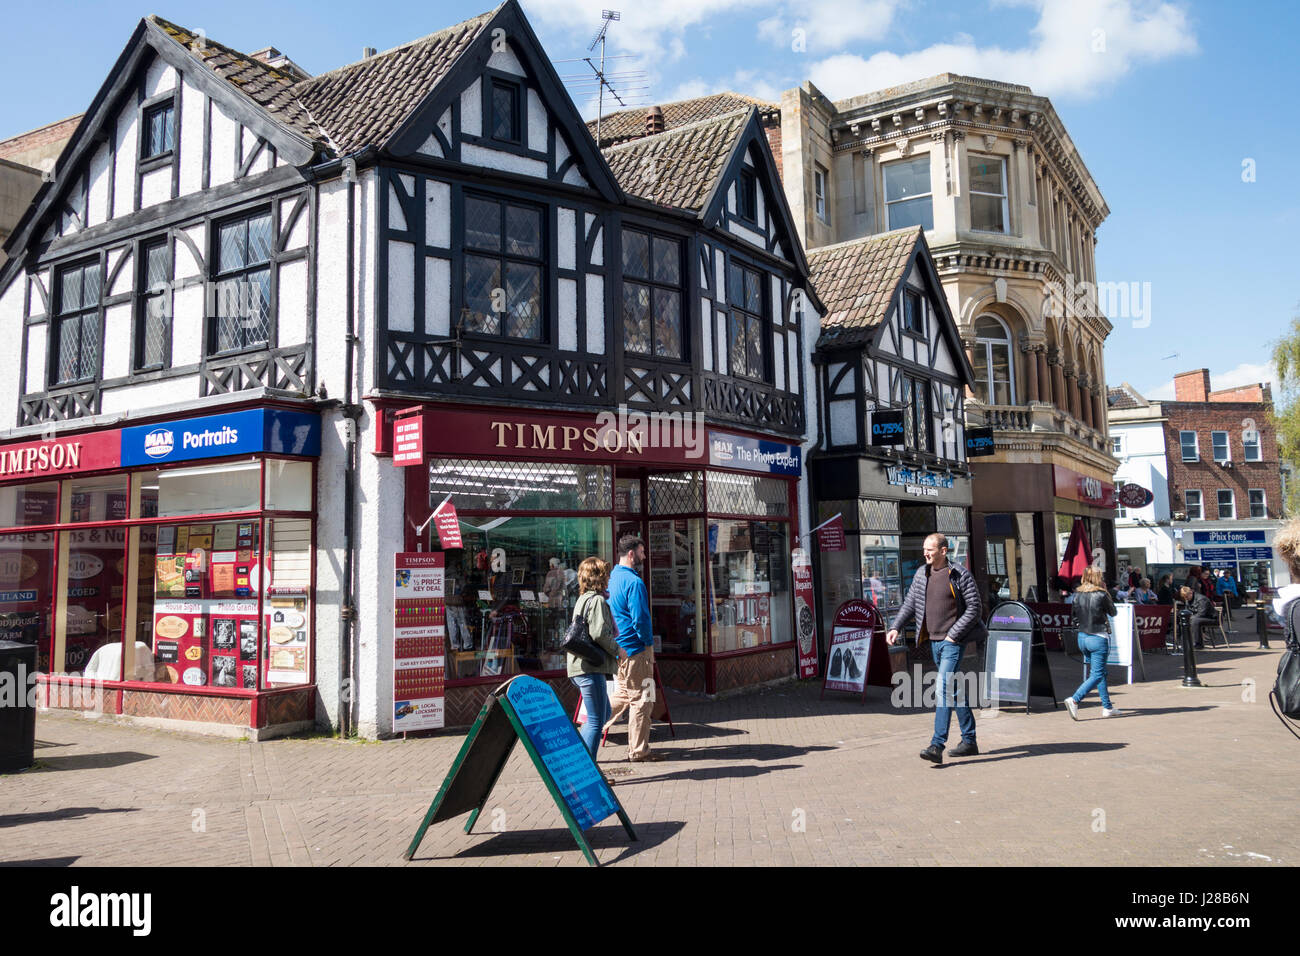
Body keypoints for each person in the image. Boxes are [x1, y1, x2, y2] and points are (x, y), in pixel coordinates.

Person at [887, 533, 985, 764]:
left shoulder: (959, 574)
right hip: (933, 641)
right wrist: (896, 627)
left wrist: (954, 635)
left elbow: (975, 608)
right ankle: (969, 741)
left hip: (953, 642)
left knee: (943, 689)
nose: (925, 553)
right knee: (954, 689)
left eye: (930, 549)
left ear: (943, 550)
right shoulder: (922, 574)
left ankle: (937, 744)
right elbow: (911, 603)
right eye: (924, 549)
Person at [604, 535, 658, 762]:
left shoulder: (613, 577)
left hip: (620, 647)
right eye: (642, 551)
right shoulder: (635, 583)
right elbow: (641, 619)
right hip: (636, 648)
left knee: (625, 693)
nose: (644, 556)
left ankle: (591, 725)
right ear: (631, 554)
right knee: (643, 699)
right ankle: (638, 750)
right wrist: (649, 645)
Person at [567, 557, 619, 759]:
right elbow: (599, 633)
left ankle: (580, 756)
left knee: (603, 714)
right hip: (589, 667)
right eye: (605, 574)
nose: (608, 578)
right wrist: (618, 650)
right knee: (597, 720)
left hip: (581, 666)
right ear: (599, 577)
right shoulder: (596, 600)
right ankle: (588, 769)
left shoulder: (584, 598)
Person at [1064, 566, 1121, 719]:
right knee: (1097, 674)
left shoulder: (1077, 594)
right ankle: (1075, 699)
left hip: (1082, 637)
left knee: (1099, 672)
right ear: (1098, 578)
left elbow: (1074, 618)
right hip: (1098, 637)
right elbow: (1113, 612)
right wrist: (1107, 592)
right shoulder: (1101, 594)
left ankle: (1107, 707)